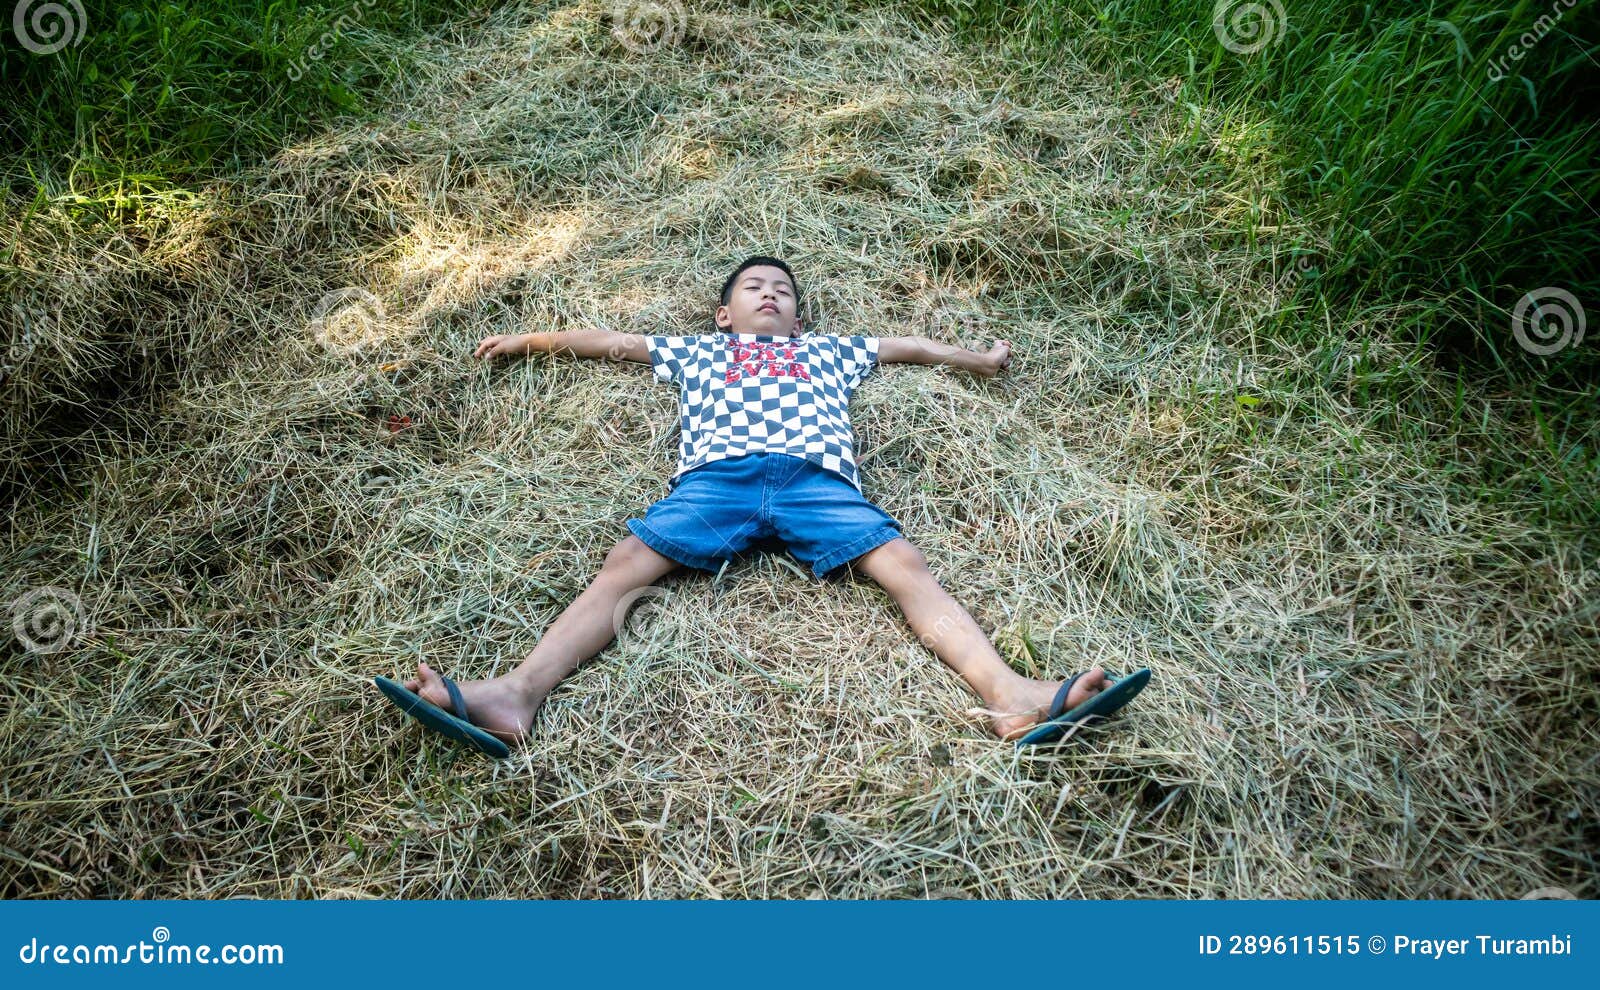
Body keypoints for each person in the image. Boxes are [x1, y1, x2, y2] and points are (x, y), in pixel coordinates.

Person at [376, 255, 1148, 756]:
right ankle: (516, 694)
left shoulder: (829, 351)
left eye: (782, 290)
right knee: (627, 565)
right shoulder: (700, 351)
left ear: (800, 317)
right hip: (718, 481)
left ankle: (1010, 695)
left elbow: (907, 347)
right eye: (753, 288)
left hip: (819, 484)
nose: (769, 295)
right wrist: (531, 340)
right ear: (723, 314)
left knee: (903, 563)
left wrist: (977, 359)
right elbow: (611, 342)